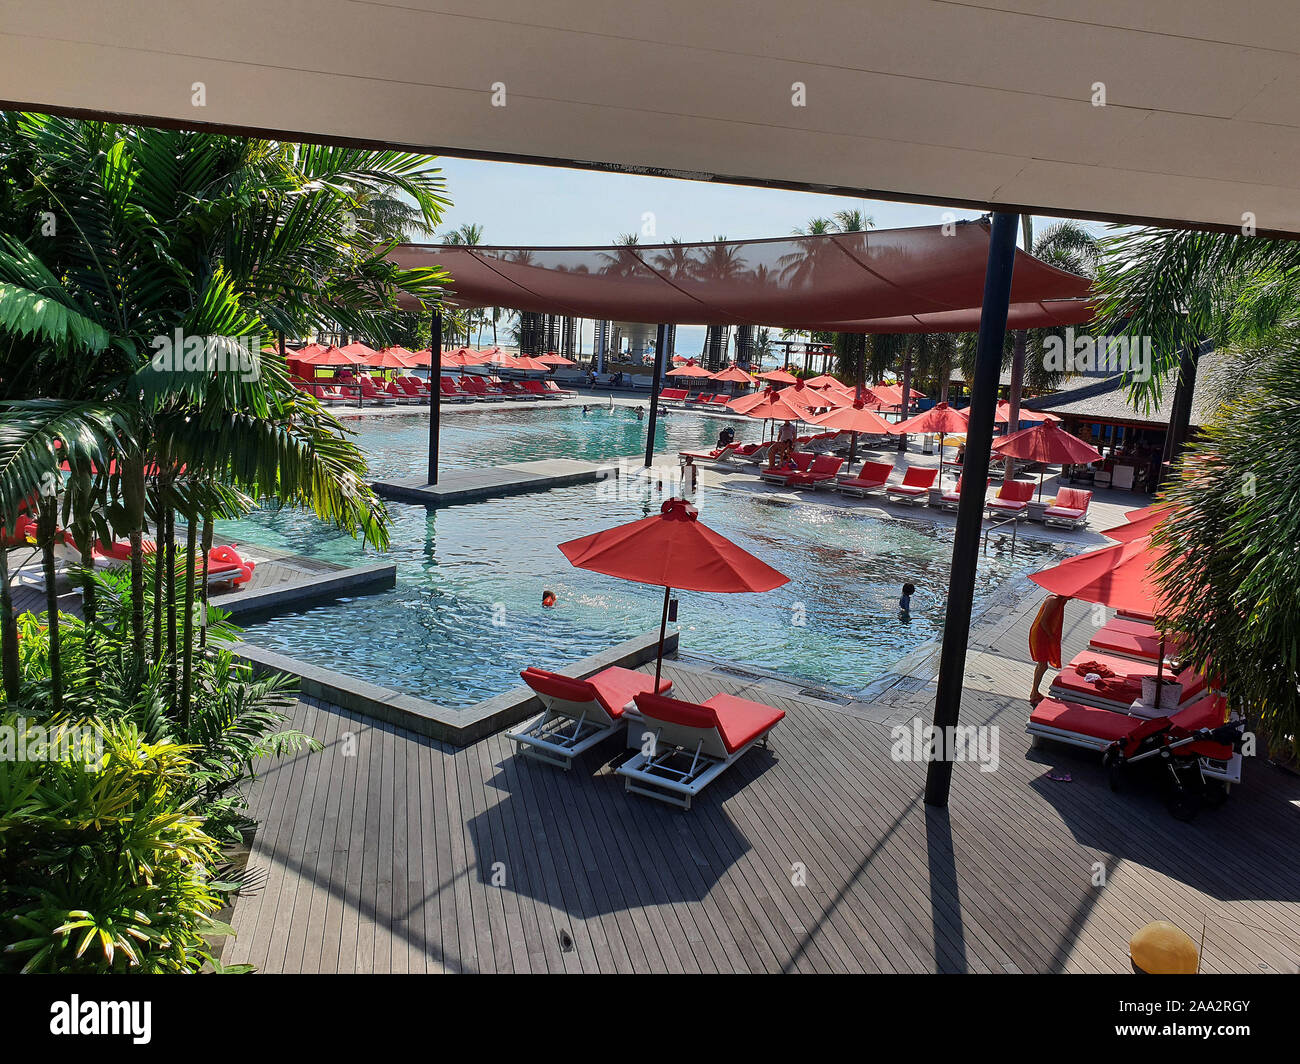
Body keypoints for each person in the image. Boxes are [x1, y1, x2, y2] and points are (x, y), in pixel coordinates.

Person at [1028, 594, 1066, 705]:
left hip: (1042, 633)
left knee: (1041, 664)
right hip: (1041, 634)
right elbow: (1043, 621)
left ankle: (1034, 692)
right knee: (1043, 665)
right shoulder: (1053, 601)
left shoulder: (1057, 600)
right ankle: (1034, 693)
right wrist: (1051, 636)